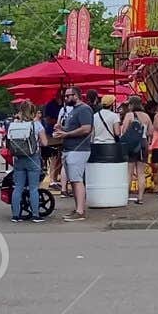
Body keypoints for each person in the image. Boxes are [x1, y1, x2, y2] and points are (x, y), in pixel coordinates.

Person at [51, 86, 93, 221]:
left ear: (76, 95)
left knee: (77, 180)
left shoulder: (84, 109)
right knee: (74, 181)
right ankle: (77, 209)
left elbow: (86, 129)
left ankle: (80, 211)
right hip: (70, 149)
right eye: (65, 96)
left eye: (68, 96)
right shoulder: (73, 111)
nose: (66, 98)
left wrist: (66, 133)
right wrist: (61, 128)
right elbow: (72, 128)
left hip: (78, 149)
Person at [6, 100, 49, 222]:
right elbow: (45, 142)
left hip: (18, 158)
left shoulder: (14, 125)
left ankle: (15, 215)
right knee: (33, 188)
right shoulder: (37, 125)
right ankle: (35, 214)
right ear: (33, 112)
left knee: (18, 187)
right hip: (33, 157)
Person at [120, 95, 153, 204]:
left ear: (131, 104)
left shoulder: (129, 115)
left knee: (129, 172)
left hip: (131, 145)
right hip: (143, 143)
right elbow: (150, 132)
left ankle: (126, 197)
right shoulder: (147, 116)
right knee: (141, 172)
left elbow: (123, 131)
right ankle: (140, 198)